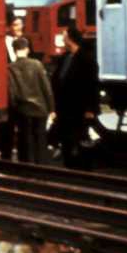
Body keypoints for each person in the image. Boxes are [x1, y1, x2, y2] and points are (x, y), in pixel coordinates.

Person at [51, 26, 100, 169]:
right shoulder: (64, 58)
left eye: (64, 36)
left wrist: (91, 109)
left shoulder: (86, 59)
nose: (62, 39)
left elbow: (92, 85)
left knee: (81, 139)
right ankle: (69, 166)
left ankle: (84, 167)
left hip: (80, 108)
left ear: (70, 39)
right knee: (66, 139)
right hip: (64, 108)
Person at [8, 37, 55, 164]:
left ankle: (28, 168)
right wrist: (51, 108)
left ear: (14, 50)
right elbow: (46, 88)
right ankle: (42, 166)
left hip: (23, 110)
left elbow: (12, 93)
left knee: (25, 141)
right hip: (40, 109)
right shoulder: (37, 64)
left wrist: (13, 109)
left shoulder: (11, 68)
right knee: (40, 140)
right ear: (27, 49)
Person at [0, 14, 25, 160]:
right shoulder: (1, 43)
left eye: (20, 24)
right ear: (9, 27)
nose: (18, 28)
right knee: (6, 125)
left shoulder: (26, 42)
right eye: (15, 25)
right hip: (7, 90)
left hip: (23, 91)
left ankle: (23, 156)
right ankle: (5, 155)